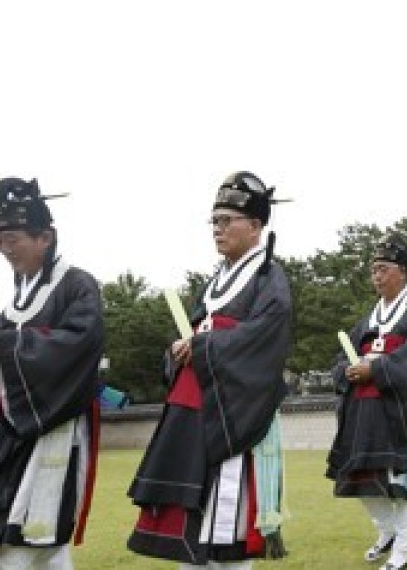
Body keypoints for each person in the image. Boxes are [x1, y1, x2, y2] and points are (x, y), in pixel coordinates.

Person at [127, 171, 294, 568]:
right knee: (191, 528)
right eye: (213, 221)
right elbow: (197, 331)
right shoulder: (215, 281)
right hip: (193, 409)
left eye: (226, 220)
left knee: (225, 528)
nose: (217, 229)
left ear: (255, 225)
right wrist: (179, 349)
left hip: (231, 414)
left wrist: (203, 345)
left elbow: (265, 339)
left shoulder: (270, 279)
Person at [0, 177, 105, 570]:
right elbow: (9, 360)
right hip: (11, 430)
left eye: (13, 238)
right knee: (33, 543)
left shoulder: (77, 285)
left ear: (45, 237)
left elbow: (80, 346)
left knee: (21, 541)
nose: (4, 248)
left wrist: (5, 346)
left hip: (52, 427)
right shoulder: (20, 294)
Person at [326, 233, 407, 570]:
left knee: (406, 487)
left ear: (403, 272)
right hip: (365, 414)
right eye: (373, 270)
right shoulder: (369, 319)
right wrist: (348, 370)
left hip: (400, 413)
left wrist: (376, 368)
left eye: (383, 269)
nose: (376, 276)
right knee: (362, 481)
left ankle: (402, 554)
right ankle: (388, 532)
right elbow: (341, 357)